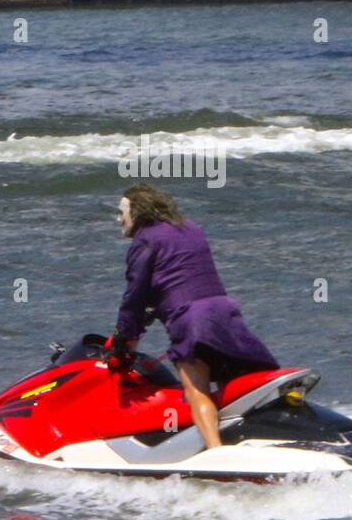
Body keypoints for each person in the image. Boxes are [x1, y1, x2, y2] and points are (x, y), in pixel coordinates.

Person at [106, 184, 277, 449]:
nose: (119, 219)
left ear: (138, 211)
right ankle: (248, 443)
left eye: (122, 212)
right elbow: (182, 273)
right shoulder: (192, 229)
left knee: (196, 390)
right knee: (229, 386)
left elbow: (134, 297)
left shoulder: (146, 239)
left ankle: (216, 452)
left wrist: (123, 339)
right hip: (225, 312)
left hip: (190, 319)